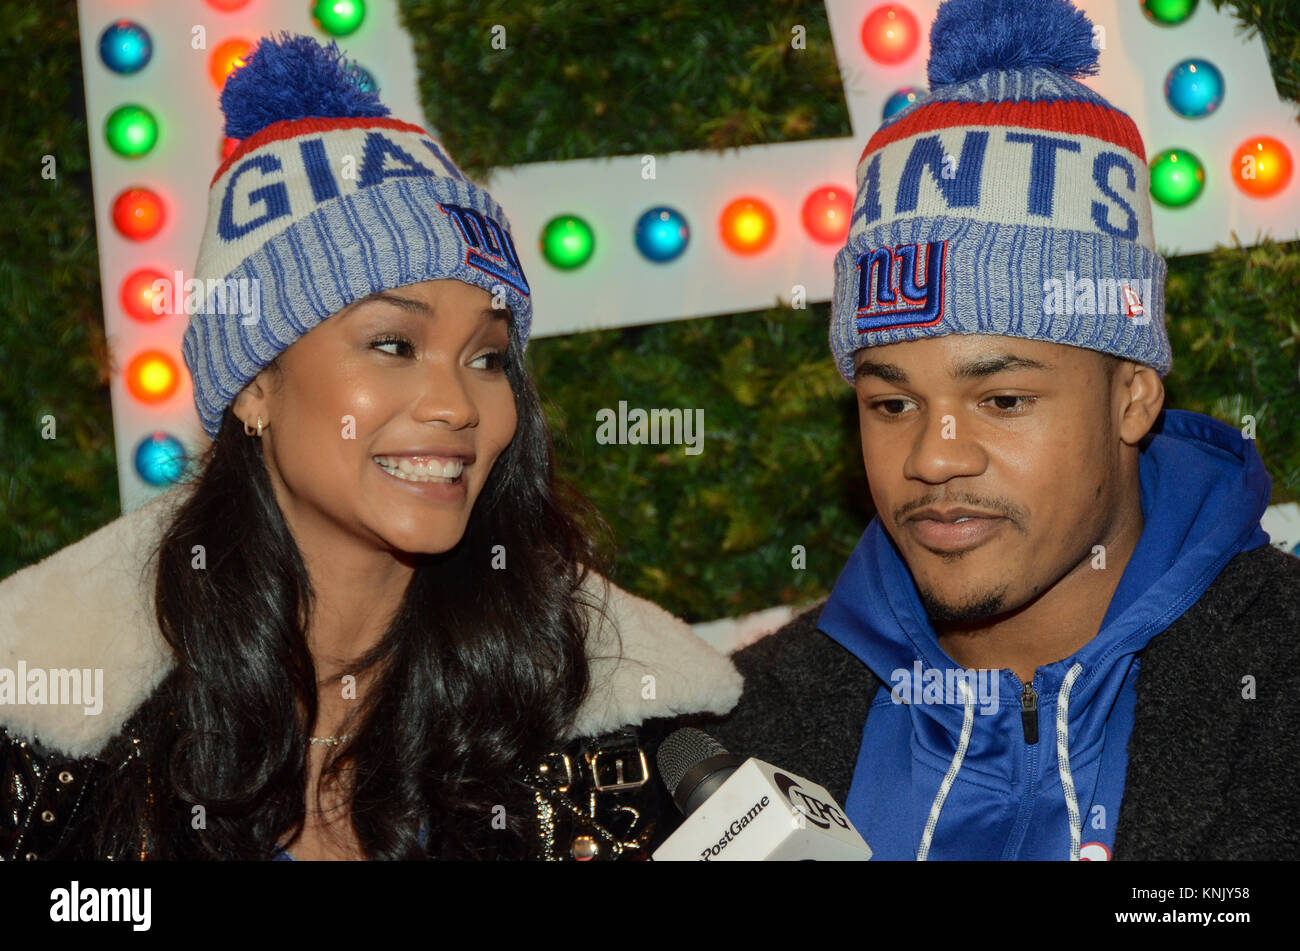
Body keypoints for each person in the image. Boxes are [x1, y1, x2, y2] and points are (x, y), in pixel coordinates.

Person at [0, 33, 740, 861]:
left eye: (488, 358)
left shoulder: (623, 756)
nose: (457, 405)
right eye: (392, 344)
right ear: (254, 383)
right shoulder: (52, 758)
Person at [675, 0, 1300, 860]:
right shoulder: (741, 735)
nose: (933, 457)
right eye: (892, 403)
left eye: (1002, 399)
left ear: (1133, 396)